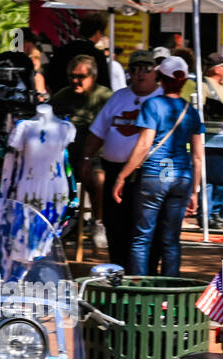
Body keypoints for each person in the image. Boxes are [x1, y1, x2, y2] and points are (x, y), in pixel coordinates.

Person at [112, 56, 206, 276]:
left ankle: (139, 288)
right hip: (182, 177)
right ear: (183, 82)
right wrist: (195, 190)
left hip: (154, 176)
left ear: (161, 79)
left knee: (142, 237)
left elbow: (144, 144)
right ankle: (170, 292)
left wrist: (122, 176)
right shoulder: (191, 112)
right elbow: (198, 156)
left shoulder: (153, 105)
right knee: (171, 239)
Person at [83, 49, 163, 269]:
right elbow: (97, 132)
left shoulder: (162, 99)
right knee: (115, 224)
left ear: (154, 72)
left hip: (149, 173)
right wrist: (88, 158)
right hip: (115, 170)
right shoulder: (119, 97)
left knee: (145, 226)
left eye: (146, 69)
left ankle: (146, 274)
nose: (140, 74)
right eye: (135, 69)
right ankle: (118, 269)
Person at [51, 55, 112, 249]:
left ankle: (98, 222)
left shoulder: (105, 97)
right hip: (66, 157)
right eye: (72, 76)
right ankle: (60, 222)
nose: (75, 81)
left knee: (99, 179)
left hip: (96, 156)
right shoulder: (62, 96)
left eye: (81, 76)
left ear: (93, 77)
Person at [201, 51, 223, 228]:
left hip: (220, 135)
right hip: (208, 136)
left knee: (219, 176)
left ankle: (215, 212)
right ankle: (205, 214)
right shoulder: (204, 86)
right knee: (208, 177)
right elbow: (203, 109)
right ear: (216, 69)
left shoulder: (220, 87)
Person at [47, 12, 111, 102]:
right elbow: (104, 84)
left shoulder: (62, 50)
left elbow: (50, 77)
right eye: (102, 34)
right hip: (88, 105)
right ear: (97, 32)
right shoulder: (97, 55)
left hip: (61, 103)